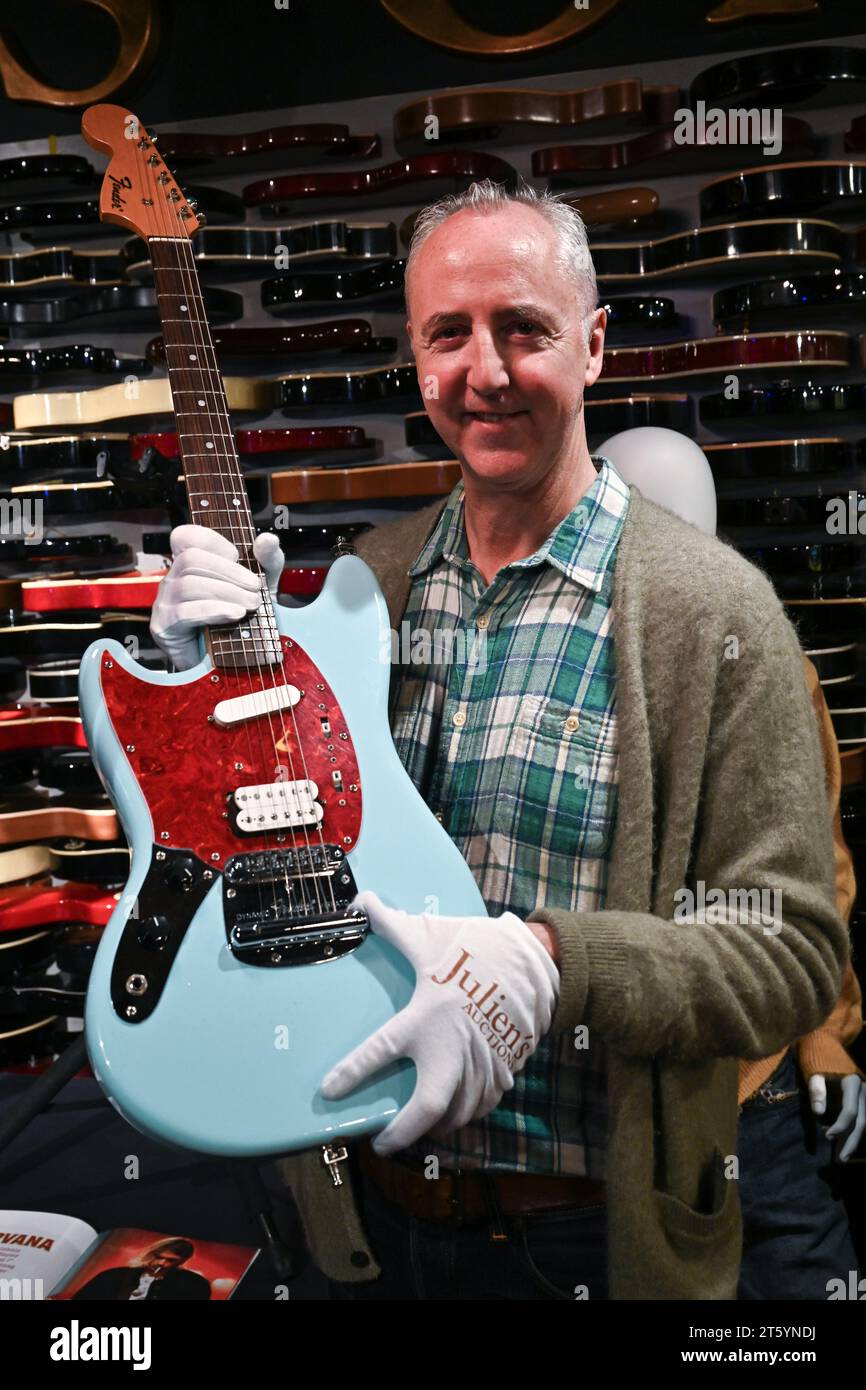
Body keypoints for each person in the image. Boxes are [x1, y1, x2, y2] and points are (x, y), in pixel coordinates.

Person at [149, 181, 850, 1301]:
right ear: (415, 356)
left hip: (581, 1238)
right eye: (447, 333)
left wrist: (552, 962)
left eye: (522, 327)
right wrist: (196, 692)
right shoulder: (360, 590)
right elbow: (258, 843)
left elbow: (792, 953)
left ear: (593, 345)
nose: (484, 370)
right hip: (370, 1214)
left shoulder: (712, 613)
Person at [71, 1236, 211, 1300]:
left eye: (171, 1260)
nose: (161, 1263)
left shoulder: (194, 1285)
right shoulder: (114, 1275)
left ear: (183, 1260)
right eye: (158, 1256)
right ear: (150, 1253)